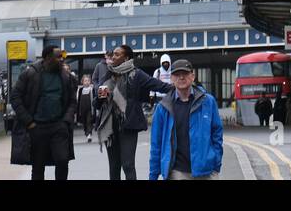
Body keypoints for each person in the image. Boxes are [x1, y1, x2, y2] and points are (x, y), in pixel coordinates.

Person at [95, 44, 171, 180]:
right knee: (114, 166)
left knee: (128, 165)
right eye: (113, 54)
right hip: (110, 126)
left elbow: (157, 85)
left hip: (128, 125)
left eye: (117, 55)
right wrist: (100, 98)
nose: (113, 57)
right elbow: (97, 104)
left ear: (126, 58)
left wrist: (180, 88)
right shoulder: (108, 73)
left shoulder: (136, 74)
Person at [149, 59, 223, 180]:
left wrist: (216, 163)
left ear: (193, 76)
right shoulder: (163, 107)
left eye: (185, 74)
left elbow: (217, 134)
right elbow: (156, 144)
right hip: (177, 172)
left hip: (206, 170)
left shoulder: (208, 102)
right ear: (171, 78)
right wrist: (153, 175)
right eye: (177, 75)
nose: (181, 77)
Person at [11, 44, 75, 181]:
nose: (61, 59)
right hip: (37, 127)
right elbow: (15, 97)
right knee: (38, 166)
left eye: (62, 56)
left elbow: (72, 101)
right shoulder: (30, 73)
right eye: (58, 56)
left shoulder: (66, 76)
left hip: (59, 126)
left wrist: (66, 121)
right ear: (47, 57)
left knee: (63, 160)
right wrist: (28, 121)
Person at [76, 74, 97, 142]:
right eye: (85, 81)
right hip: (82, 109)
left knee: (89, 121)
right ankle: (86, 132)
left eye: (88, 80)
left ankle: (89, 134)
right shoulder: (80, 90)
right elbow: (78, 99)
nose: (87, 82)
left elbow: (94, 98)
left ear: (90, 81)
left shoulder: (91, 89)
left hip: (90, 108)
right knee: (84, 122)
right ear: (82, 82)